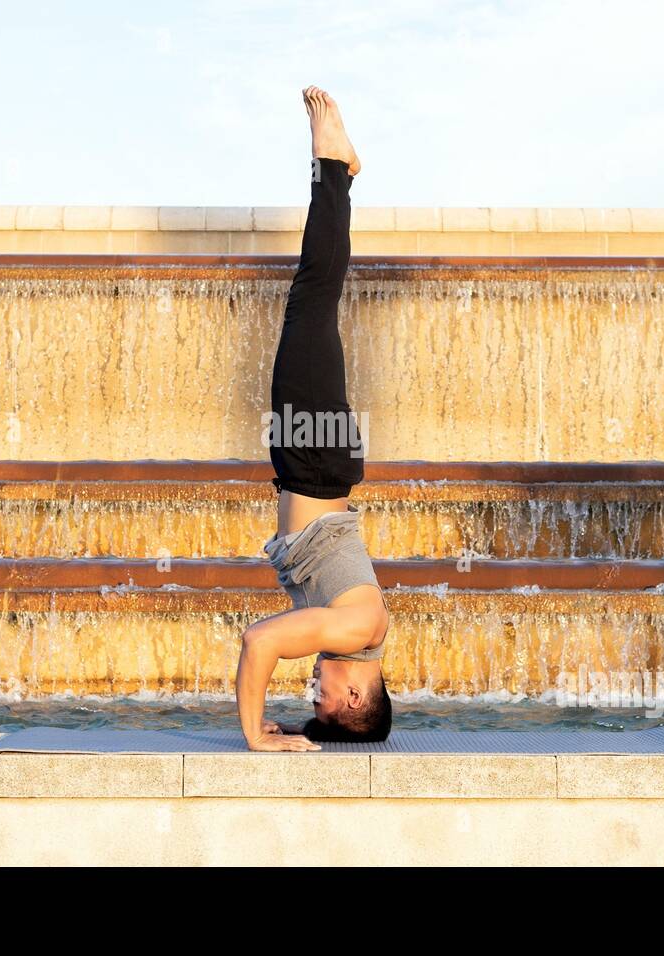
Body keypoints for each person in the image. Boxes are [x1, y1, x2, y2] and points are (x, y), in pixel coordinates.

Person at [234, 86, 391, 753]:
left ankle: (338, 172)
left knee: (311, 304)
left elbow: (274, 639)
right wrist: (256, 737)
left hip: (311, 463)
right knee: (312, 299)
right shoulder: (356, 633)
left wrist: (275, 727)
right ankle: (336, 168)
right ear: (355, 696)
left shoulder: (359, 632)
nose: (313, 691)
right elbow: (260, 640)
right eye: (322, 701)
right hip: (316, 461)